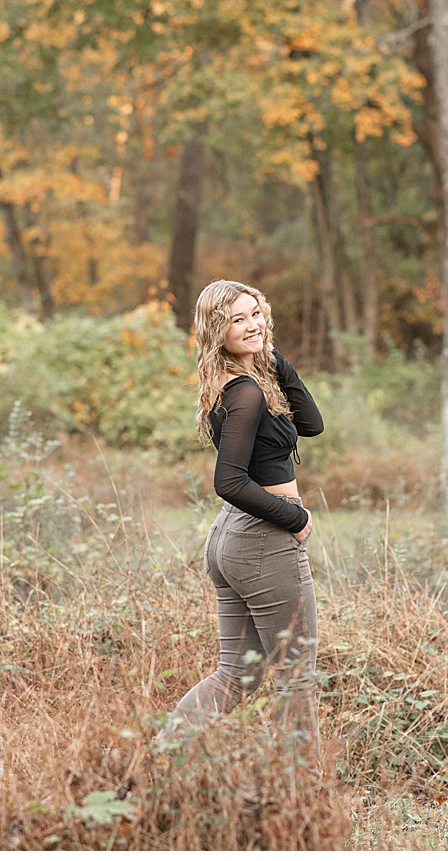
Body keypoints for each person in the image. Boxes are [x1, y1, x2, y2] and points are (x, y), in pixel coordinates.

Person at [159, 278, 323, 771]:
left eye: (256, 314)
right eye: (237, 320)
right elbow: (228, 481)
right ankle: (302, 794)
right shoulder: (246, 392)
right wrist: (296, 517)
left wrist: (271, 355)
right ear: (218, 331)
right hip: (261, 540)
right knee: (296, 676)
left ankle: (154, 764)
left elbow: (312, 424)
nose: (252, 325)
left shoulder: (245, 380)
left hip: (234, 539)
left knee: (237, 676)